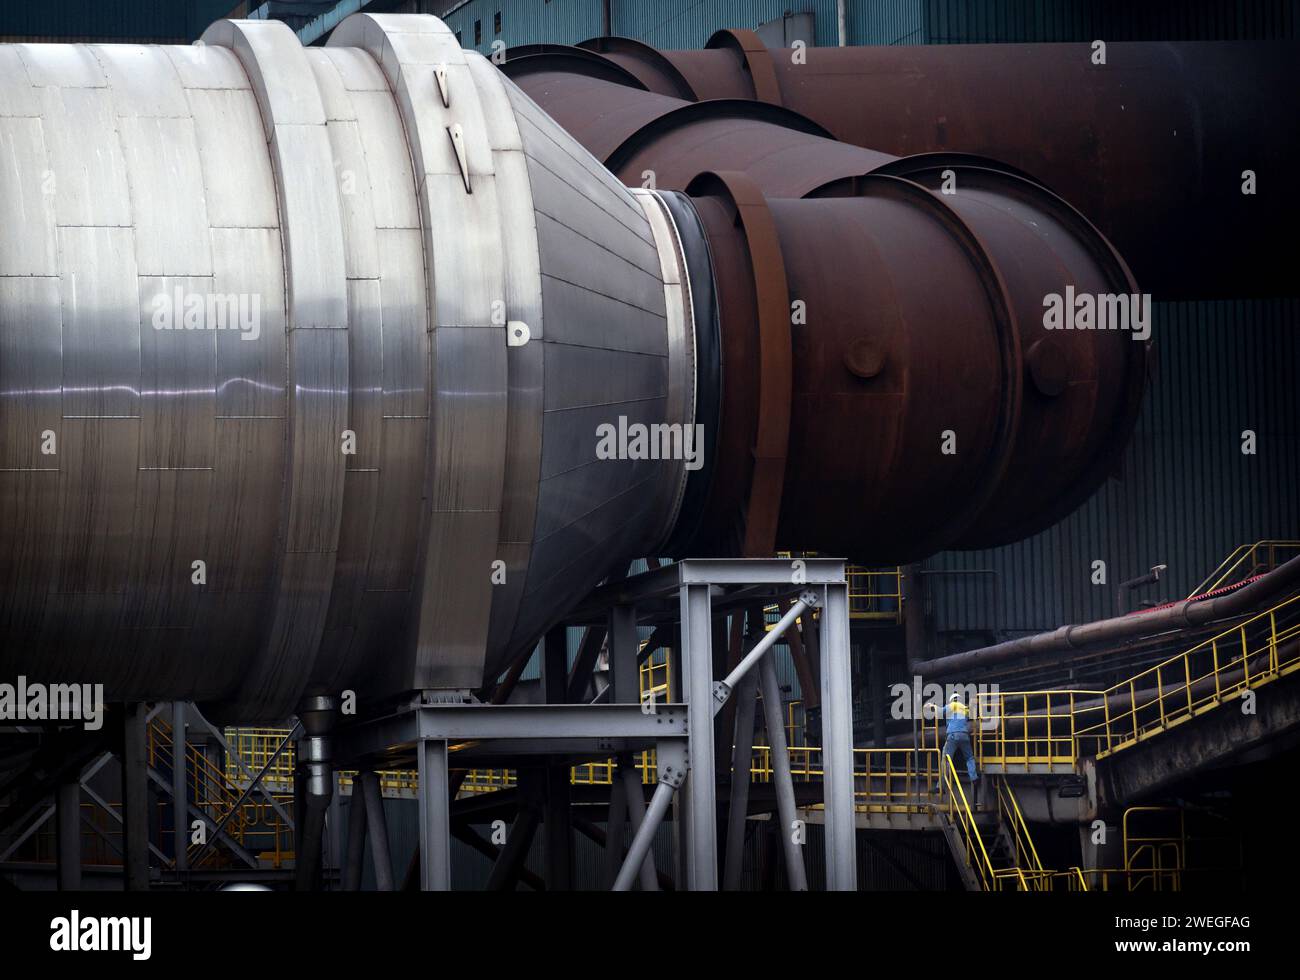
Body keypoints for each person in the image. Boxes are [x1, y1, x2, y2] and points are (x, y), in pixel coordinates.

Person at [939, 693, 979, 801]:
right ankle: (974, 778)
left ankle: (941, 786)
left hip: (952, 735)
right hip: (964, 735)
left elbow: (939, 711)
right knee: (969, 757)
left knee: (946, 759)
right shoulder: (965, 709)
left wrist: (930, 706)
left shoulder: (952, 706)